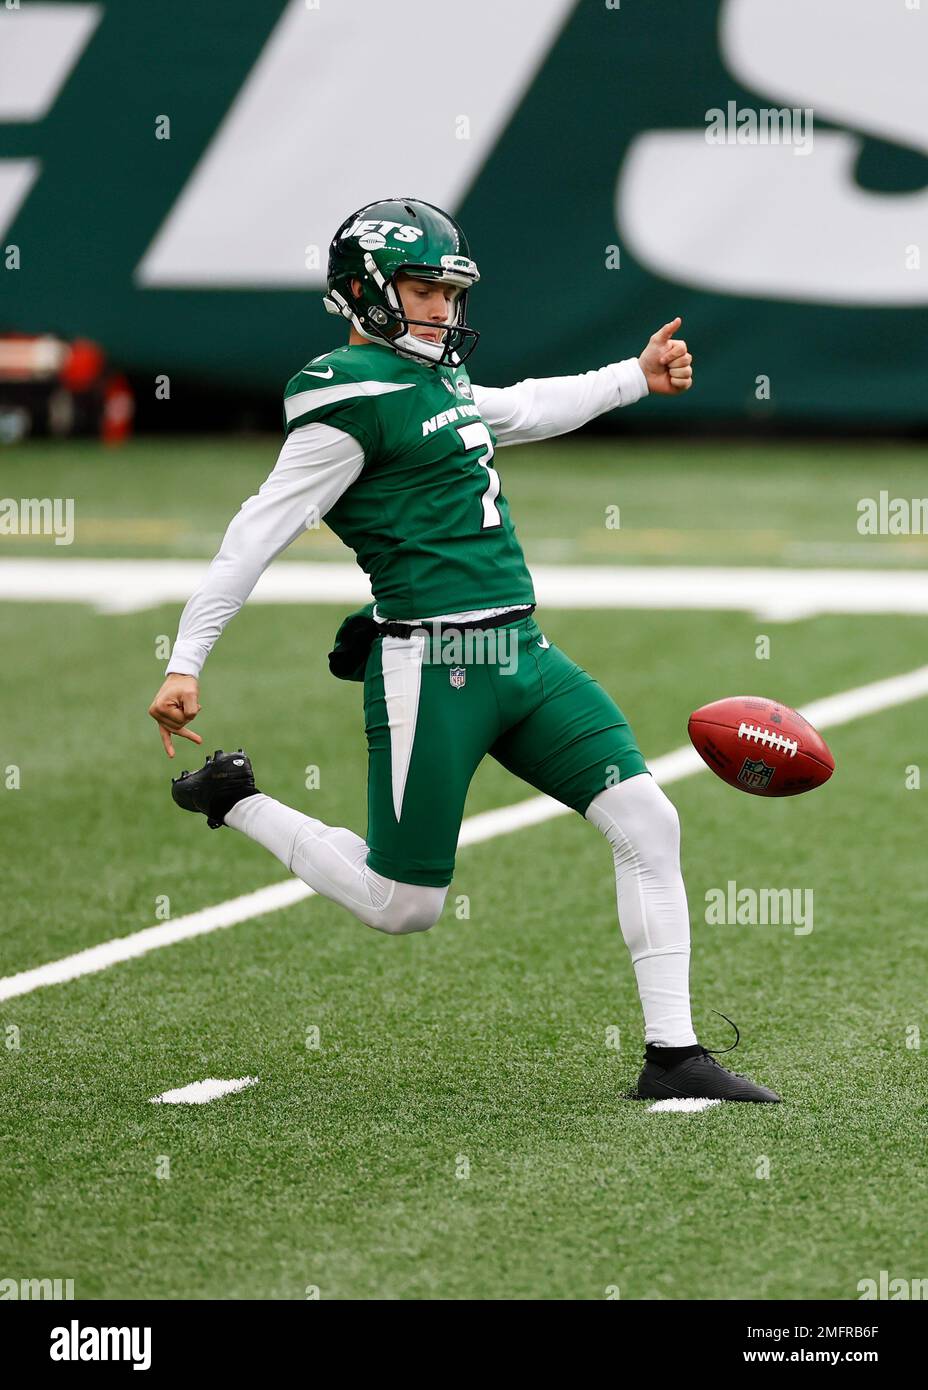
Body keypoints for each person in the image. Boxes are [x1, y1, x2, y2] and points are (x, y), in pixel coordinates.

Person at [148, 197, 778, 1103]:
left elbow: (522, 407)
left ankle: (673, 1054)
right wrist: (186, 659)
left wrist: (633, 377)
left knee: (649, 821)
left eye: (449, 289)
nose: (442, 307)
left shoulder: (436, 381)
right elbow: (254, 536)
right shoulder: (342, 401)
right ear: (365, 291)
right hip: (433, 669)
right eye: (422, 287)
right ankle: (236, 799)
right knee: (404, 905)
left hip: (522, 652)